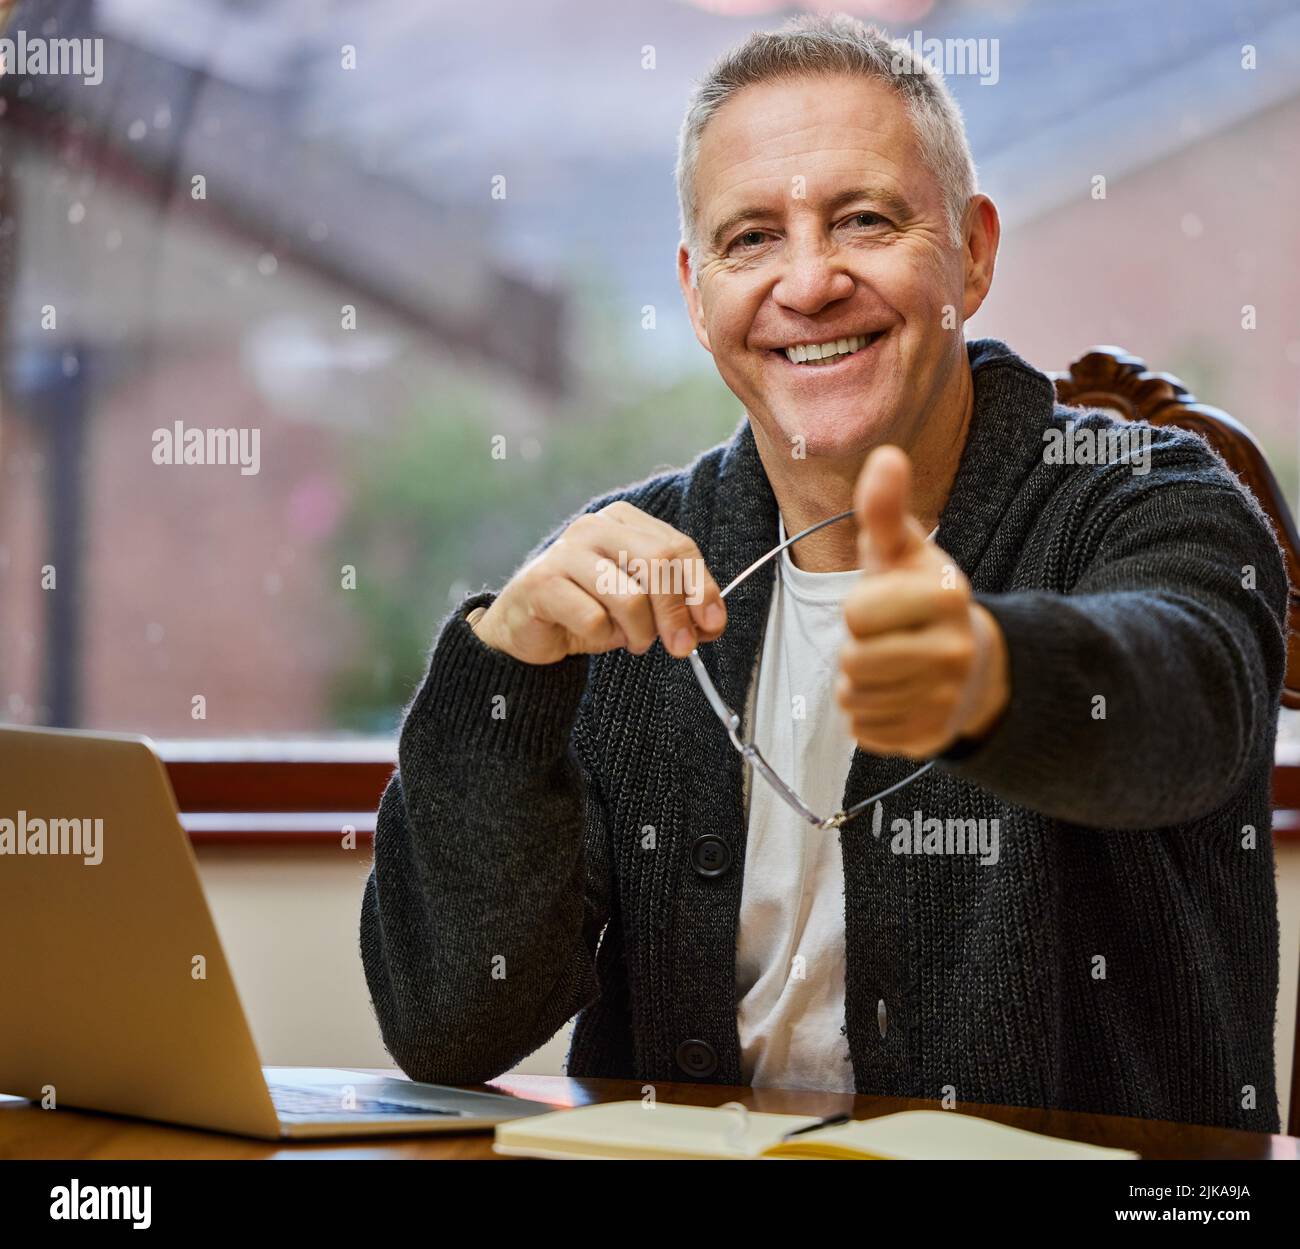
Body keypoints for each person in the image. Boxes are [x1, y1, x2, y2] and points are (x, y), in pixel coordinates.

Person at [360, 15, 1289, 1130]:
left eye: (863, 219)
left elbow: (1184, 710)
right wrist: (504, 667)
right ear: (697, 293)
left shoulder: (1147, 496)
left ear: (974, 251)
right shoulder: (631, 571)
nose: (808, 282)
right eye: (752, 238)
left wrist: (991, 677)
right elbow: (447, 1025)